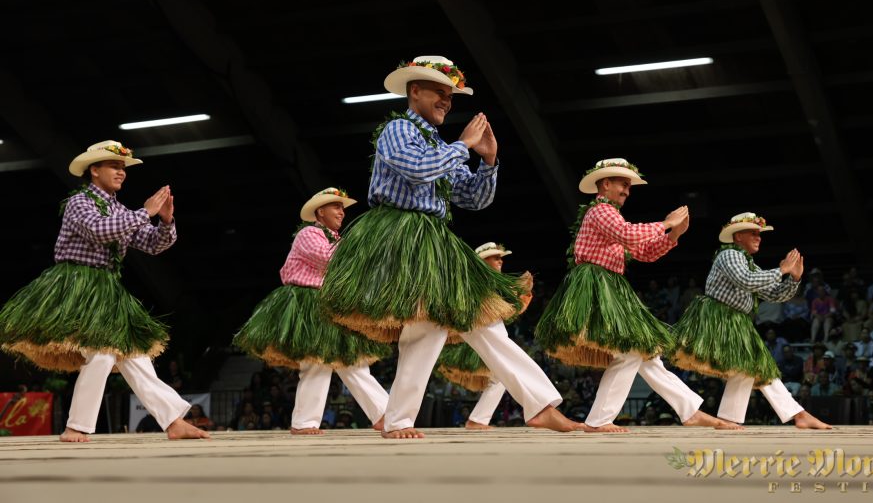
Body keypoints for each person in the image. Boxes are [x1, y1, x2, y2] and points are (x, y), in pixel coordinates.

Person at [319, 56, 578, 438]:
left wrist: (488, 161)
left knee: (474, 321)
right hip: (400, 235)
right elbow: (419, 168)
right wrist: (463, 145)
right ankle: (400, 420)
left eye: (451, 96)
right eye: (440, 92)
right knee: (429, 327)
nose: (447, 101)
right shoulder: (397, 129)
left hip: (434, 239)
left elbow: (473, 198)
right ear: (415, 91)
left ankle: (538, 404)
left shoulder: (440, 144)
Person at [0, 141, 208, 442]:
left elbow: (152, 244)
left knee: (133, 354)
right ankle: (77, 426)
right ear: (94, 170)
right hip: (76, 286)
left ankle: (173, 421)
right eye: (115, 166)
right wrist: (144, 212)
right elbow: (100, 230)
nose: (121, 172)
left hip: (107, 289)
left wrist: (164, 220)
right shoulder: (79, 202)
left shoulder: (119, 208)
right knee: (101, 353)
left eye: (123, 168)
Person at [536, 159, 735, 432]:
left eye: (629, 186)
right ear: (605, 184)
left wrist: (673, 234)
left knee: (647, 355)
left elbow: (644, 252)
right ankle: (599, 420)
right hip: (596, 286)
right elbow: (629, 235)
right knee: (630, 352)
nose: (628, 191)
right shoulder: (601, 211)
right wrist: (666, 223)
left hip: (611, 285)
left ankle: (690, 411)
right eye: (623, 184)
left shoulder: (610, 216)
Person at [234, 188, 391, 434]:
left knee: (350, 361)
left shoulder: (337, 239)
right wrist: (362, 245)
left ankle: (382, 413)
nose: (341, 212)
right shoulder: (309, 233)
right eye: (336, 207)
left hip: (329, 303)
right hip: (309, 303)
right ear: (320, 211)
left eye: (342, 208)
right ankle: (306, 422)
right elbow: (328, 259)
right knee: (318, 362)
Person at [673, 213, 831, 429]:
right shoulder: (729, 255)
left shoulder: (748, 262)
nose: (759, 237)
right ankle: (797, 414)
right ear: (738, 236)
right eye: (754, 233)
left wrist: (794, 278)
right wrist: (781, 270)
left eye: (759, 234)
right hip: (720, 317)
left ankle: (730, 418)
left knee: (748, 367)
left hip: (736, 320)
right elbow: (747, 281)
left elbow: (775, 294)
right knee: (754, 365)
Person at [436, 242, 532, 430]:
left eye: (501, 258)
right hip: (478, 332)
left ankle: (478, 420)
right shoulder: (475, 281)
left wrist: (522, 290)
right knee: (504, 370)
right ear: (483, 260)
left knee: (500, 376)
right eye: (496, 257)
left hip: (486, 331)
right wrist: (519, 289)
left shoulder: (493, 282)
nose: (500, 261)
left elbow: (507, 312)